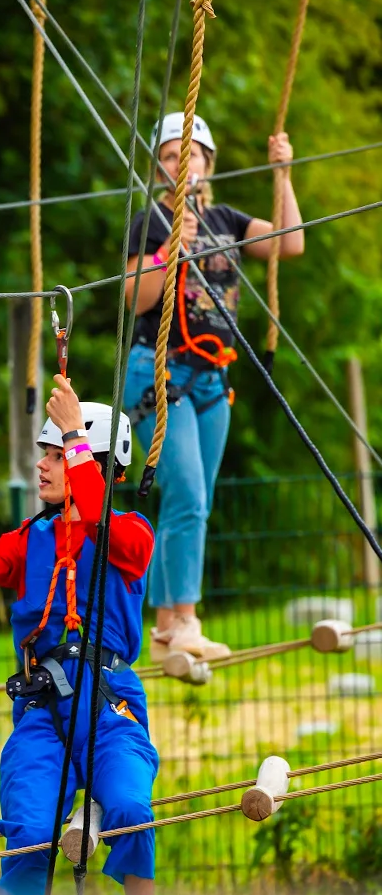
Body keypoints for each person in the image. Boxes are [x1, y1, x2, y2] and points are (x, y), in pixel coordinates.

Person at [0, 376, 162, 895]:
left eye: (59, 454)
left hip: (109, 704)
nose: (45, 465)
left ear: (99, 462)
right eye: (48, 453)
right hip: (41, 711)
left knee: (132, 808)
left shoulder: (129, 532)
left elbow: (111, 535)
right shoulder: (27, 541)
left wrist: (76, 433)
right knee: (29, 829)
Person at [124, 113, 305, 660]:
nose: (183, 164)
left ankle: (166, 626)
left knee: (194, 502)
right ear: (161, 168)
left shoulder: (226, 218)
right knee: (187, 496)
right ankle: (184, 619)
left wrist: (283, 175)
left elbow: (288, 243)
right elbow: (138, 298)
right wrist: (168, 248)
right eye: (172, 157)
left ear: (208, 162)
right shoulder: (152, 219)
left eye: (191, 155)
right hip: (162, 371)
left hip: (212, 378)